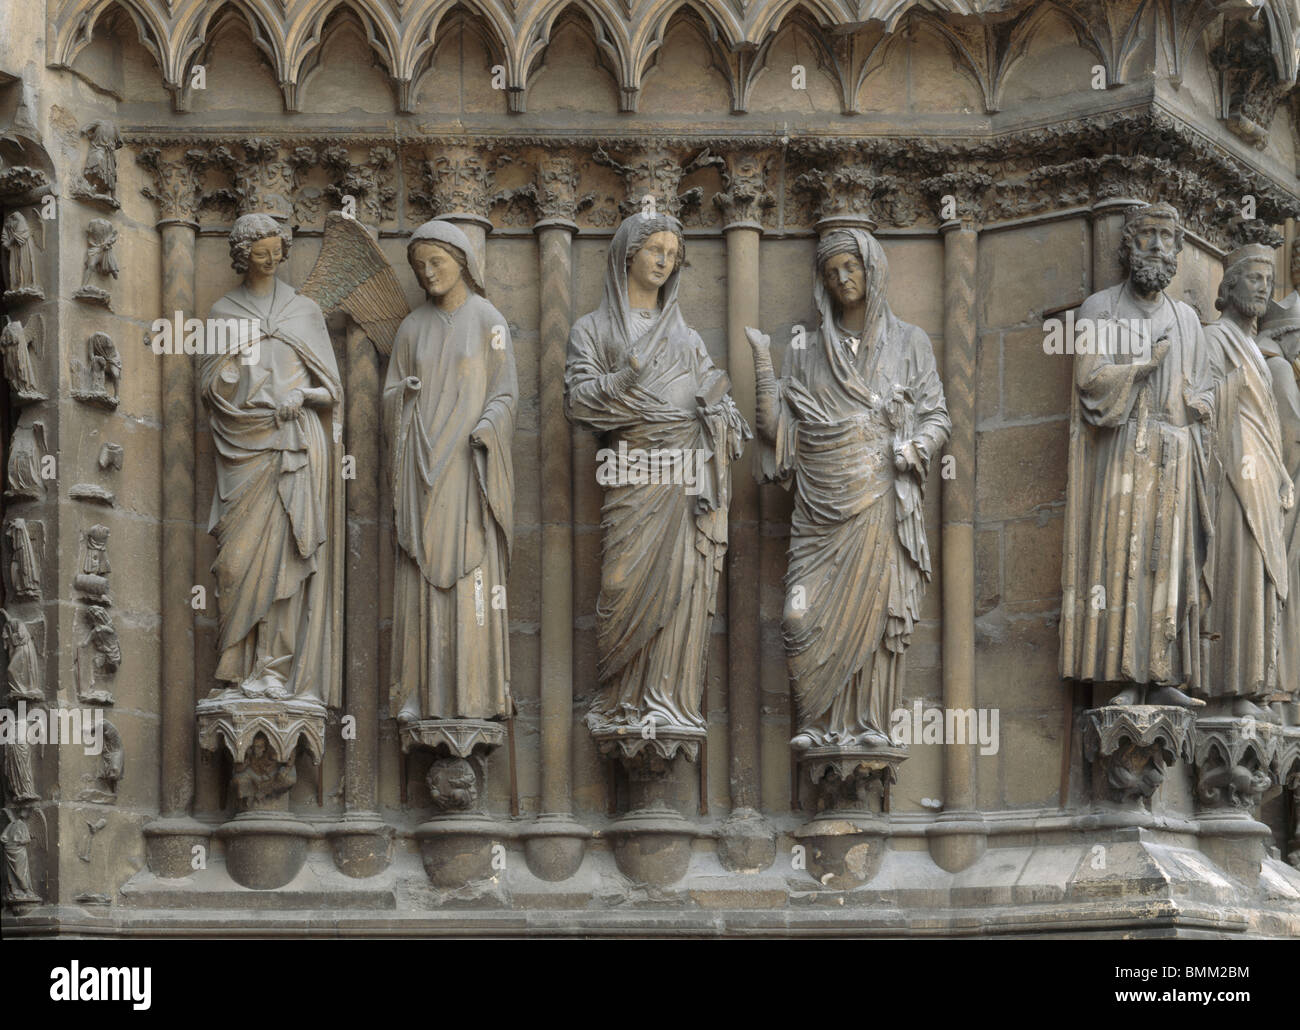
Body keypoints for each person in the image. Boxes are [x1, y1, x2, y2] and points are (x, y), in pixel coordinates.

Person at [747, 228, 950, 749]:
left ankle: (867, 728)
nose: (843, 279)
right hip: (818, 508)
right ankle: (819, 721)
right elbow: (777, 433)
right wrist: (764, 365)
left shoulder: (910, 343)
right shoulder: (808, 353)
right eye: (833, 272)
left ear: (873, 270)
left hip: (881, 501)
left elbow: (937, 416)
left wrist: (918, 447)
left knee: (877, 622)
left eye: (851, 267)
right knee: (798, 616)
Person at [566, 213, 749, 736]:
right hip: (631, 473)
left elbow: (722, 407)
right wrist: (625, 378)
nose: (665, 260)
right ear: (628, 255)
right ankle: (622, 701)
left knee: (683, 587)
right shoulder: (593, 329)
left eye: (673, 252)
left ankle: (667, 700)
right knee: (622, 582)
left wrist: (720, 417)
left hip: (686, 477)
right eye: (654, 249)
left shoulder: (687, 338)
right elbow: (577, 405)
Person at [1060, 203, 1215, 708]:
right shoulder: (1100, 308)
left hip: (1176, 454)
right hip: (1124, 453)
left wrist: (1203, 404)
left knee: (1169, 565)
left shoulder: (1189, 320)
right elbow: (1089, 380)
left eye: (1166, 237)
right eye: (1146, 234)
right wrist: (1145, 367)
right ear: (1128, 245)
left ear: (1178, 250)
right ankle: (1124, 675)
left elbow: (1204, 387)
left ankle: (1165, 672)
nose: (1156, 245)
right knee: (1122, 562)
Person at [200, 212, 342, 705]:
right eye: (260, 252)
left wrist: (304, 398)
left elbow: (332, 391)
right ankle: (237, 669)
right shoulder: (222, 313)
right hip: (244, 450)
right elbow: (209, 388)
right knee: (237, 564)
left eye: (276, 250)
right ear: (242, 256)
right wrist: (238, 377)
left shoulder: (304, 311)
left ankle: (276, 669)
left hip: (296, 448)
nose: (271, 258)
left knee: (287, 559)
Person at [384, 220, 516, 725]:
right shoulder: (411, 328)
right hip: (422, 471)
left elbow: (507, 392)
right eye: (419, 267)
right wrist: (405, 395)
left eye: (435, 262)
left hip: (469, 467)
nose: (427, 273)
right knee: (419, 578)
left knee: (473, 574)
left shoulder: (490, 320)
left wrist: (488, 426)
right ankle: (419, 692)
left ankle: (478, 694)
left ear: (461, 261)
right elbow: (390, 395)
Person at [1202, 244, 1293, 714]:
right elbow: (1202, 401)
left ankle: (1254, 684)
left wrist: (1278, 473)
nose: (1263, 287)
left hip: (1261, 473)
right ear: (1228, 286)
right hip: (1232, 475)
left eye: (1268, 280)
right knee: (1236, 571)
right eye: (1254, 278)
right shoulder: (1214, 340)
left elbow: (1270, 425)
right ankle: (1227, 686)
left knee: (1258, 576)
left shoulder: (1262, 353)